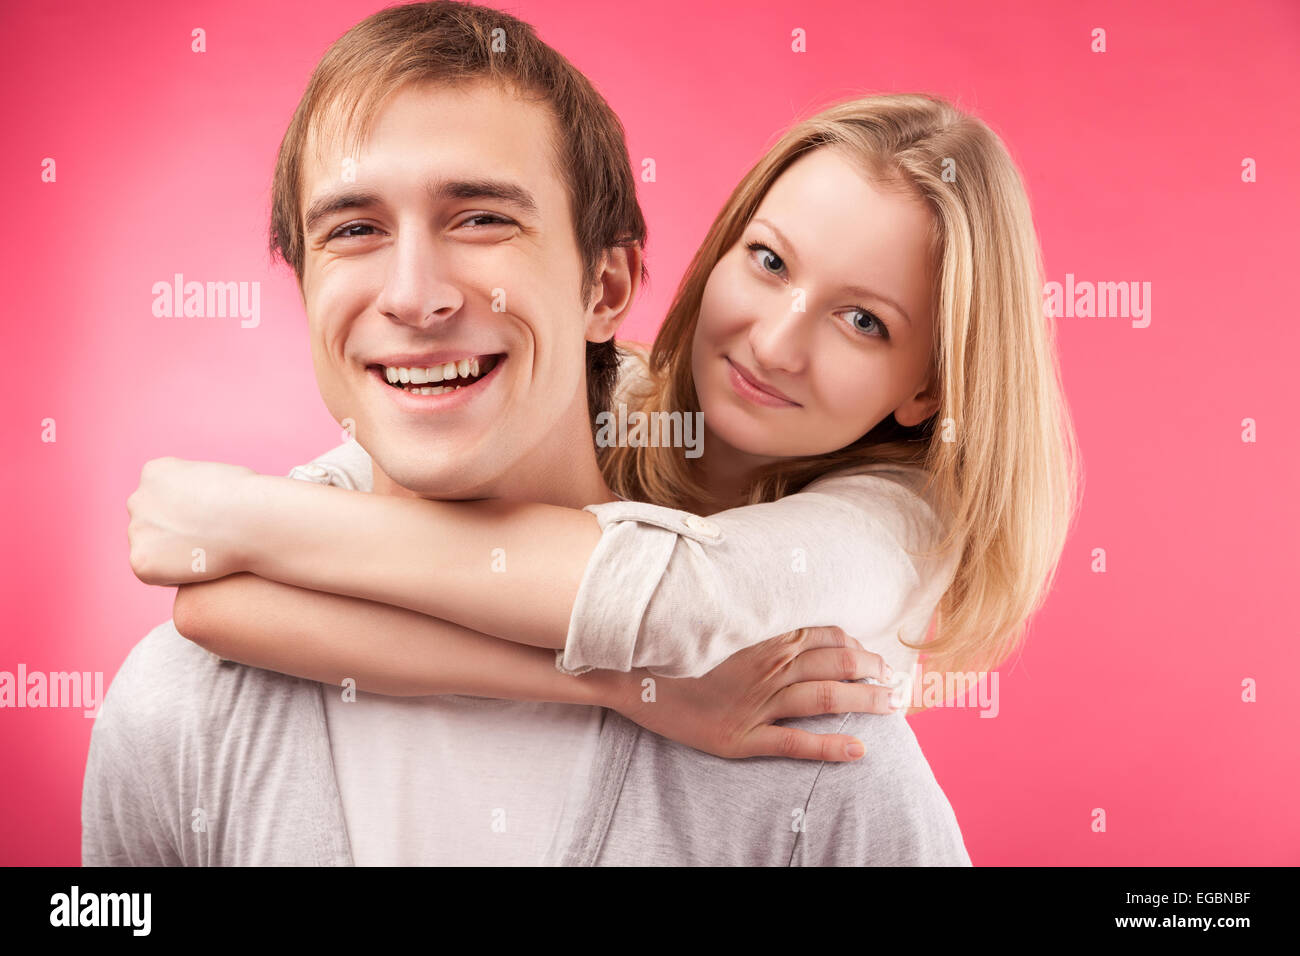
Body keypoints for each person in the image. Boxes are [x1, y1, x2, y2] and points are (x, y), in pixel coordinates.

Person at [87, 0, 979, 866]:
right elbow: (211, 604)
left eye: (482, 218)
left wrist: (231, 518)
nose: (413, 295)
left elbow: (683, 600)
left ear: (607, 288)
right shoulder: (178, 708)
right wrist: (636, 686)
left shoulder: (809, 734)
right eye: (355, 229)